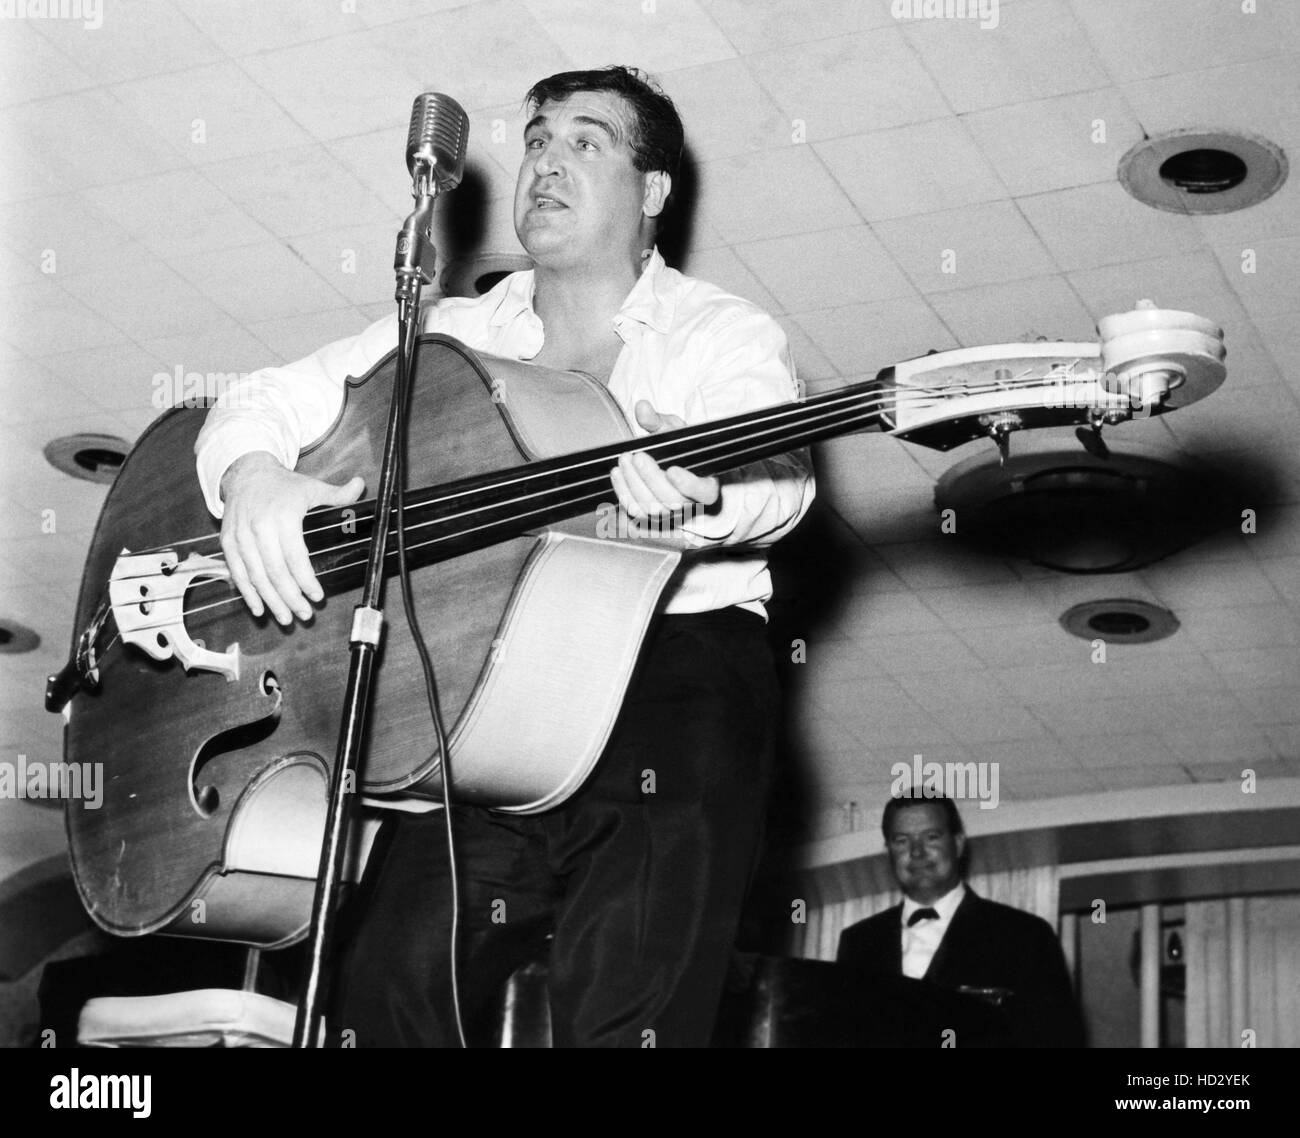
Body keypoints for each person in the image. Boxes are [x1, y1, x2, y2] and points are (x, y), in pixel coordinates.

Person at [194, 65, 814, 1047]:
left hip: (672, 676)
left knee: (630, 1008)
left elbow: (779, 476)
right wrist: (254, 478)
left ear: (653, 189)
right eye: (536, 141)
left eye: (586, 141)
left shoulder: (721, 332)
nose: (546, 163)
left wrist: (703, 497)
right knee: (386, 985)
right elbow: (258, 400)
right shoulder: (450, 333)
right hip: (495, 693)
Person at [837, 795, 1085, 1047]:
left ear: (957, 844)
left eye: (931, 837)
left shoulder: (1024, 935)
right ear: (888, 852)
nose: (917, 852)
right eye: (901, 841)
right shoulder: (858, 943)